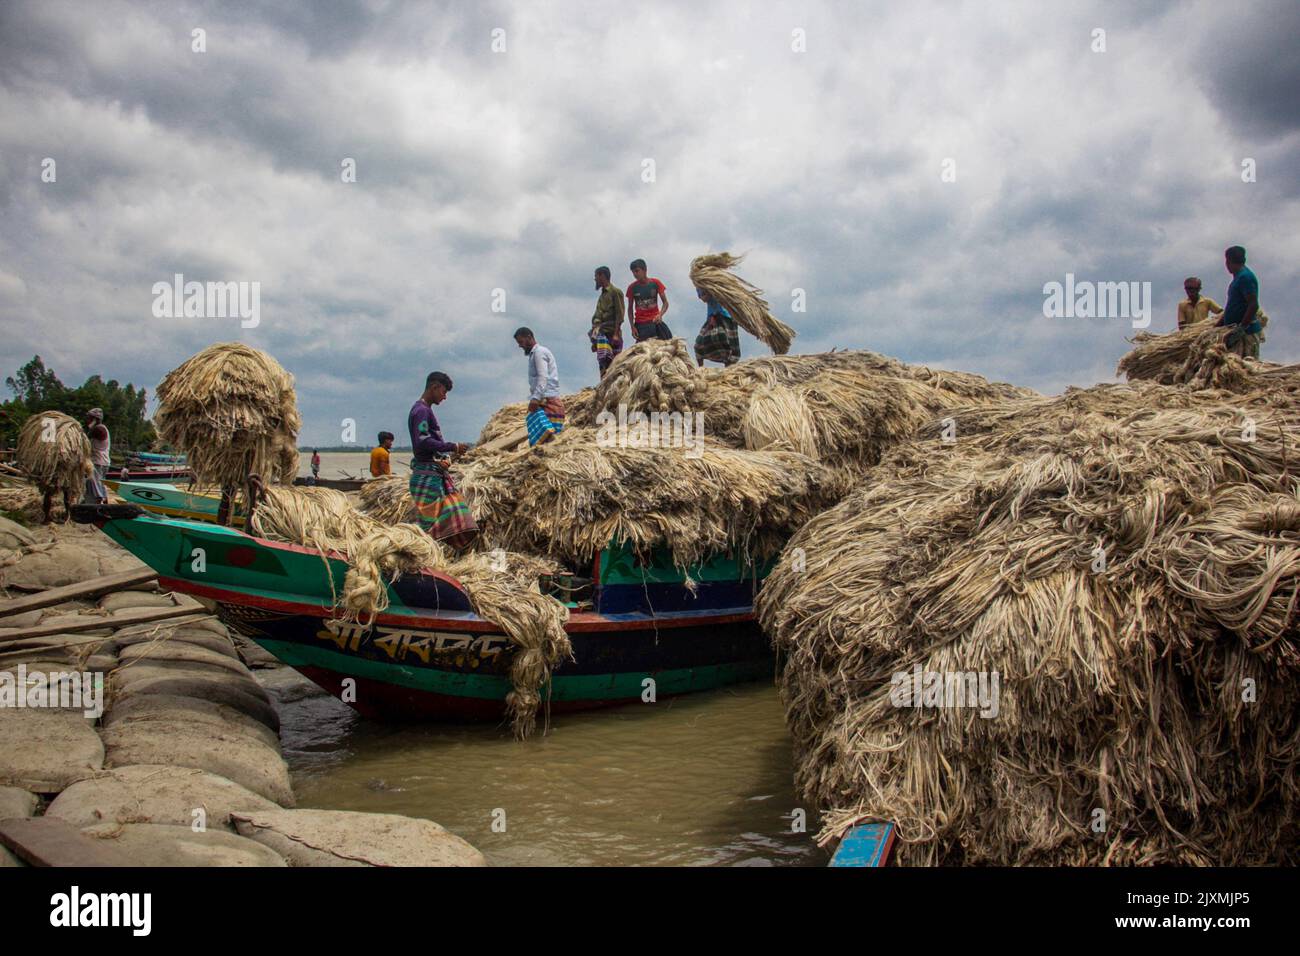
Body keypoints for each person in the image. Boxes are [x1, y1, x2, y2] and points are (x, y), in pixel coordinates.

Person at [408, 371, 477, 549]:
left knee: (441, 519)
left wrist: (443, 458)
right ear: (434, 387)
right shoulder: (421, 411)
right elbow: (422, 441)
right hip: (426, 476)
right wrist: (452, 446)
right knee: (427, 525)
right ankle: (419, 554)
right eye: (444, 392)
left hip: (431, 472)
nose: (444, 397)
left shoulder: (424, 410)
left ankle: (429, 554)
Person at [514, 327, 565, 446]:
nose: (520, 346)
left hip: (548, 402)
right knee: (543, 443)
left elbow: (543, 377)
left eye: (521, 342)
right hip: (546, 400)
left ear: (529, 337)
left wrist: (535, 398)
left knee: (546, 443)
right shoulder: (535, 354)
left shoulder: (539, 353)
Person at [1215, 246, 1262, 359]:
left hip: (1246, 334)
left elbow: (1253, 305)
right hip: (1234, 331)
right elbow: (1233, 305)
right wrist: (1218, 325)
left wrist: (1241, 329)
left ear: (1228, 261)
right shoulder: (1238, 278)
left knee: (1245, 366)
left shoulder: (1245, 277)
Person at [589, 266, 625, 378]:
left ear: (602, 276)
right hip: (601, 332)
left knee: (613, 363)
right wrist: (594, 341)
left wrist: (616, 334)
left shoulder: (615, 292)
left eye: (596, 276)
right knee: (603, 363)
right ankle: (604, 386)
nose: (595, 279)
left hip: (611, 332)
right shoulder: (602, 295)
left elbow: (620, 314)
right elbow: (597, 317)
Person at [693, 287, 741, 366]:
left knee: (725, 343)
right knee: (698, 345)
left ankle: (728, 369)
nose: (701, 298)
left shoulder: (715, 287)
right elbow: (703, 298)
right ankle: (700, 370)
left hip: (725, 318)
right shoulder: (700, 285)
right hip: (712, 316)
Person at [625, 259, 670, 342]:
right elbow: (630, 308)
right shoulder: (632, 288)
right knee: (641, 352)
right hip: (640, 325)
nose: (635, 274)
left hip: (655, 323)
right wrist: (632, 327)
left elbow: (665, 303)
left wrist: (660, 315)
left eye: (637, 271)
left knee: (671, 345)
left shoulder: (655, 283)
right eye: (633, 272)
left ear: (645, 270)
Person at [83, 408, 109, 505]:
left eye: (89, 418)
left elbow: (85, 437)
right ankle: (104, 503)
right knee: (101, 484)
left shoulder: (99, 429)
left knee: (94, 484)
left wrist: (90, 426)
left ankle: (98, 504)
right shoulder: (102, 428)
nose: (87, 420)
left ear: (95, 419)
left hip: (98, 462)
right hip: (103, 462)